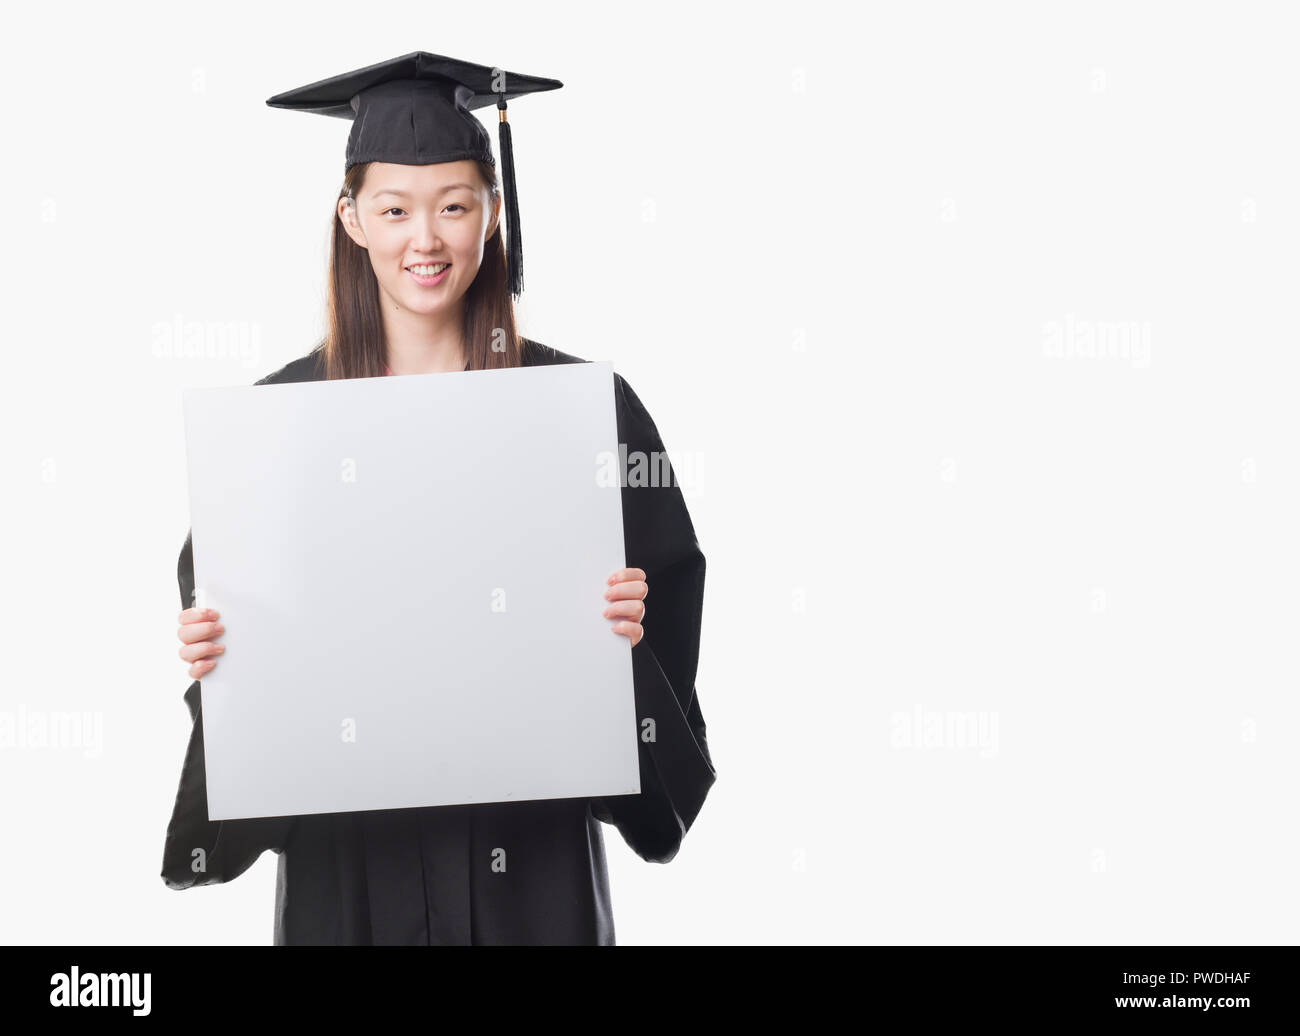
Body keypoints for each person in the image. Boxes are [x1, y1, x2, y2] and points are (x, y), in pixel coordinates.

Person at [160, 52, 717, 945]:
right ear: (351, 219)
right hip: (350, 870)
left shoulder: (585, 413)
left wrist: (625, 641)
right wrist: (219, 659)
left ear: (492, 213)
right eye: (394, 209)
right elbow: (250, 696)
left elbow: (667, 657)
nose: (427, 239)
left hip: (528, 867)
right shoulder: (273, 428)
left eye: (455, 205)